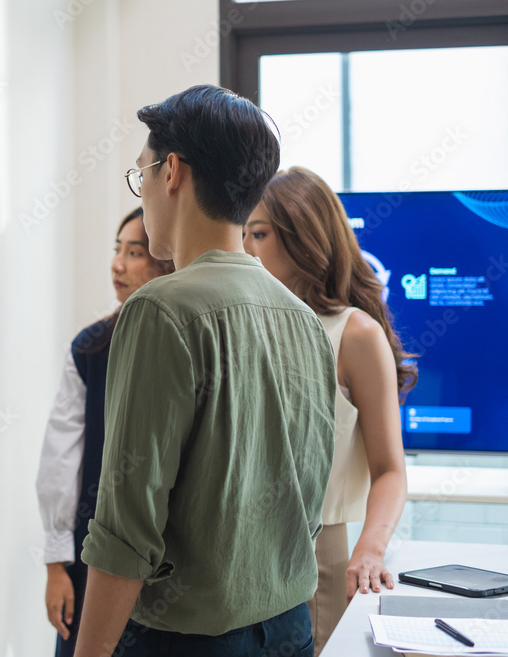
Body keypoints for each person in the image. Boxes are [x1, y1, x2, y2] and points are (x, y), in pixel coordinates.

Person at [73, 84, 337, 657]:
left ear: (171, 172)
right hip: (291, 627)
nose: (142, 193)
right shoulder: (302, 318)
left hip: (189, 640)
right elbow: (309, 488)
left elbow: (125, 526)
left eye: (140, 175)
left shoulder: (160, 309)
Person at [244, 166, 414, 656]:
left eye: (259, 233)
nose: (247, 248)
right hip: (233, 554)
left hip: (318, 554)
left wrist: (370, 548)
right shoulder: (242, 320)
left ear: (306, 238)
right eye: (243, 233)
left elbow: (390, 471)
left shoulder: (355, 334)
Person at [36, 206, 174, 657]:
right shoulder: (91, 347)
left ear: (166, 262)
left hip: (167, 565)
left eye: (135, 252)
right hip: (91, 552)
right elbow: (60, 459)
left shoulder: (186, 338)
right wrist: (57, 564)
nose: (118, 264)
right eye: (118, 250)